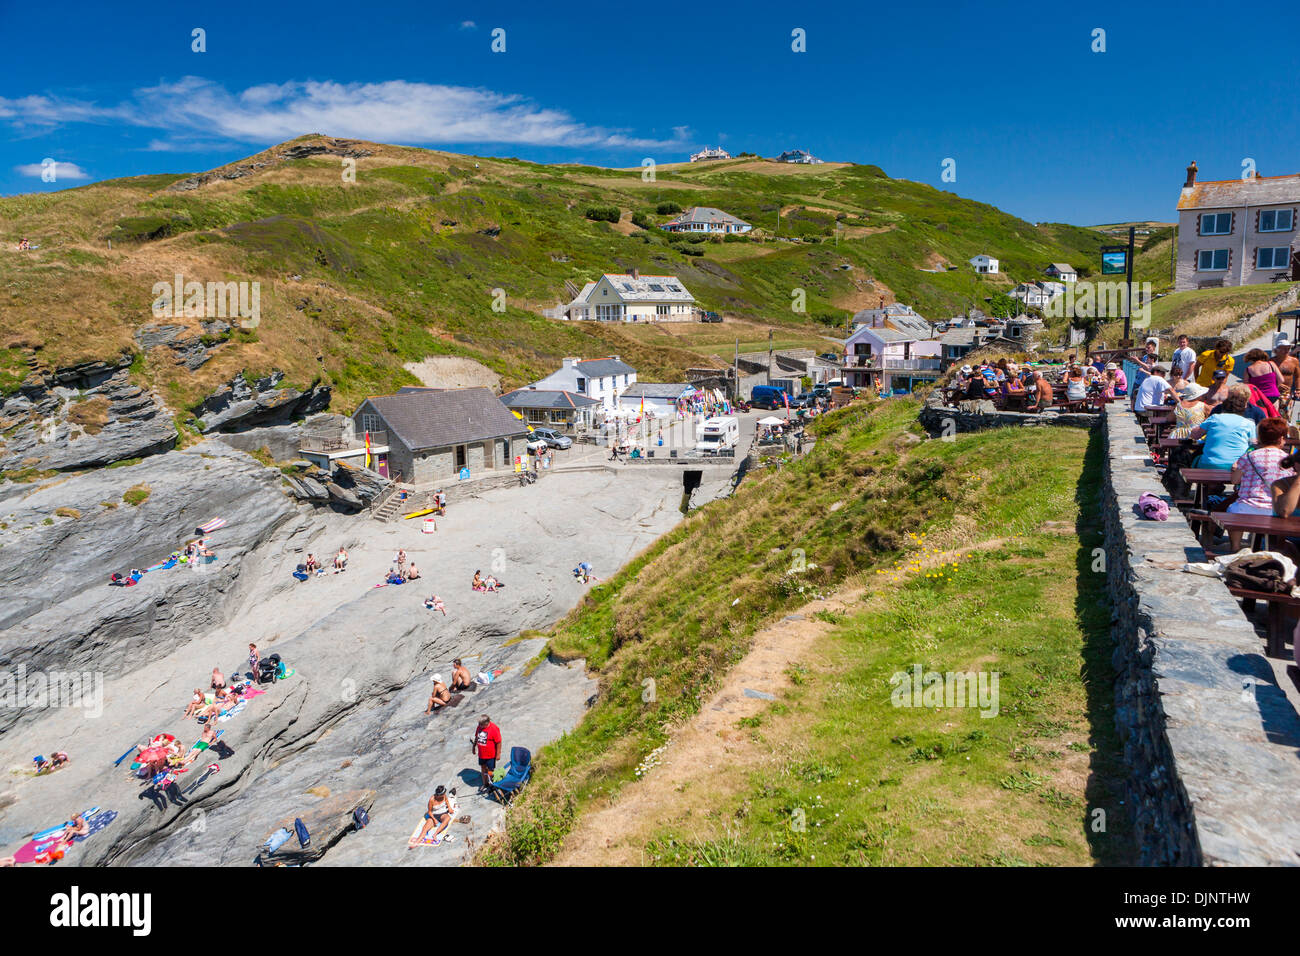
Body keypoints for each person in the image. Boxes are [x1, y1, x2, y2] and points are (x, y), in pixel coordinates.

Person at [1224, 417, 1294, 551]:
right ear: (1281, 439)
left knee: (1233, 508)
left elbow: (1235, 480)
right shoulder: (1288, 460)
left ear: (1260, 437)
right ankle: (1276, 549)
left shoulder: (1249, 456)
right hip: (1275, 510)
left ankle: (1235, 547)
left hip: (1246, 509)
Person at [1190, 390, 1257, 469]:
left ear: (1223, 407)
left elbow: (1194, 435)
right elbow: (1254, 444)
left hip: (1209, 464)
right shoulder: (1249, 423)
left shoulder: (1214, 418)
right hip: (1237, 466)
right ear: (1243, 409)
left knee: (1195, 458)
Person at [473, 715, 503, 793]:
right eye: (479, 724)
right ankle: (485, 784)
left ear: (486, 723)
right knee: (483, 768)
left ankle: (492, 784)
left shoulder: (494, 728)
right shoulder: (479, 727)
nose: (479, 726)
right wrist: (473, 747)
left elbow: (498, 742)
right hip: (482, 754)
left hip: (491, 755)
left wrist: (498, 754)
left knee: (490, 770)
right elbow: (476, 737)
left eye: (481, 724)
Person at [1274, 335, 1300, 420]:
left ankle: (1285, 430)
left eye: (1288, 348)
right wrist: (1276, 385)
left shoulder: (1294, 361)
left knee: (1286, 415)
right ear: (1277, 350)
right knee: (1275, 414)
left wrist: (1298, 389)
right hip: (1274, 391)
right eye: (1283, 348)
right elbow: (1267, 378)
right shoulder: (1271, 361)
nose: (1286, 350)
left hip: (1287, 392)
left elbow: (1297, 376)